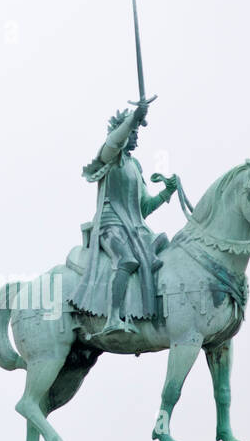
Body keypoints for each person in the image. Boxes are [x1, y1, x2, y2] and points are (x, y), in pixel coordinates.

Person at [68, 100, 178, 335]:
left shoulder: (134, 166)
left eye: (137, 132)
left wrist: (167, 192)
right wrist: (134, 118)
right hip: (110, 226)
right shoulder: (110, 155)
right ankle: (113, 318)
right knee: (126, 260)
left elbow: (144, 207)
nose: (136, 136)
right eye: (133, 132)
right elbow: (115, 140)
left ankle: (149, 306)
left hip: (135, 228)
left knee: (164, 243)